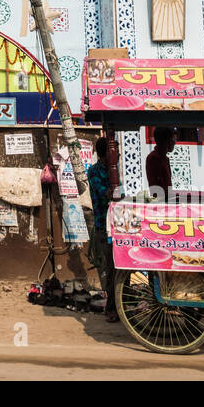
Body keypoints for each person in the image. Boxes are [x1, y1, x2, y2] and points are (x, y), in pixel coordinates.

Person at [87, 137, 119, 323]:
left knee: (119, 268)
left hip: (118, 225)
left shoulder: (113, 170)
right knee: (110, 268)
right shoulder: (95, 172)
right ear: (105, 153)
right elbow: (106, 193)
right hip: (103, 226)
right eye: (113, 151)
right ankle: (112, 307)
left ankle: (119, 304)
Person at [145, 127, 175, 201]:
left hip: (167, 200)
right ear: (166, 141)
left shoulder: (165, 159)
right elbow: (157, 186)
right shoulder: (153, 158)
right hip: (160, 202)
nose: (175, 142)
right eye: (173, 139)